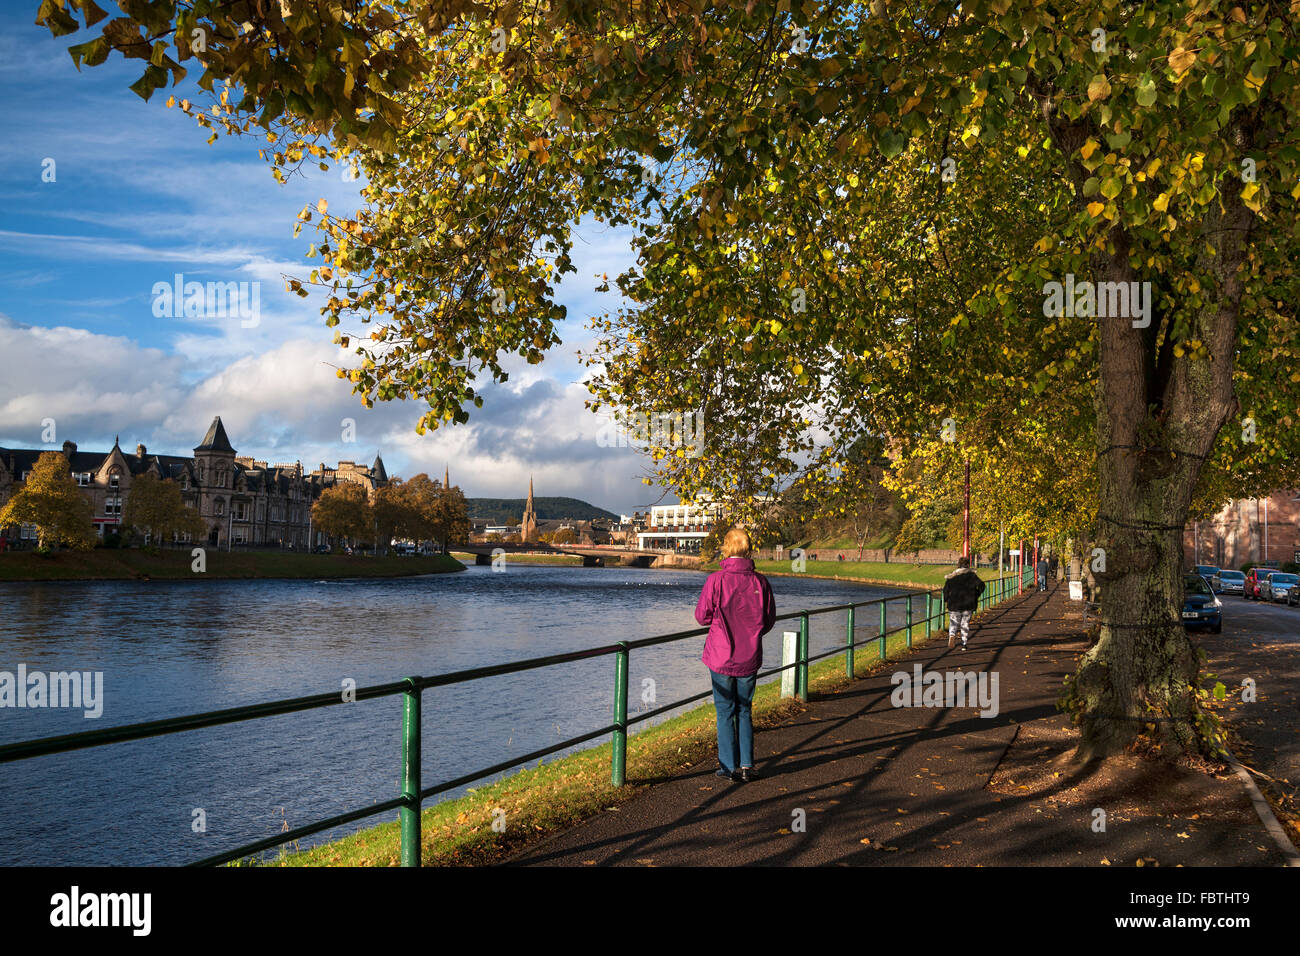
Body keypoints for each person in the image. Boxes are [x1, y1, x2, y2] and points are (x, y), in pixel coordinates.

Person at [695, 526, 776, 783]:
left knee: (724, 710)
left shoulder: (716, 580)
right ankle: (746, 765)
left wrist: (718, 620)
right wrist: (751, 633)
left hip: (720, 655)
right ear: (747, 548)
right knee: (744, 709)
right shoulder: (760, 582)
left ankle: (728, 766)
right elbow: (768, 619)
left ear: (727, 548)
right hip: (749, 655)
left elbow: (701, 616)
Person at [942, 556, 985, 650]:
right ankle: (964, 644)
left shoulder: (952, 576)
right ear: (968, 565)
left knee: (953, 622)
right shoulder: (972, 576)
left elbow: (945, 590)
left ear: (958, 564)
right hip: (968, 603)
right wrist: (976, 594)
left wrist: (946, 600)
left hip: (954, 604)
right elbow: (982, 585)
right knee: (965, 624)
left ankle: (952, 635)